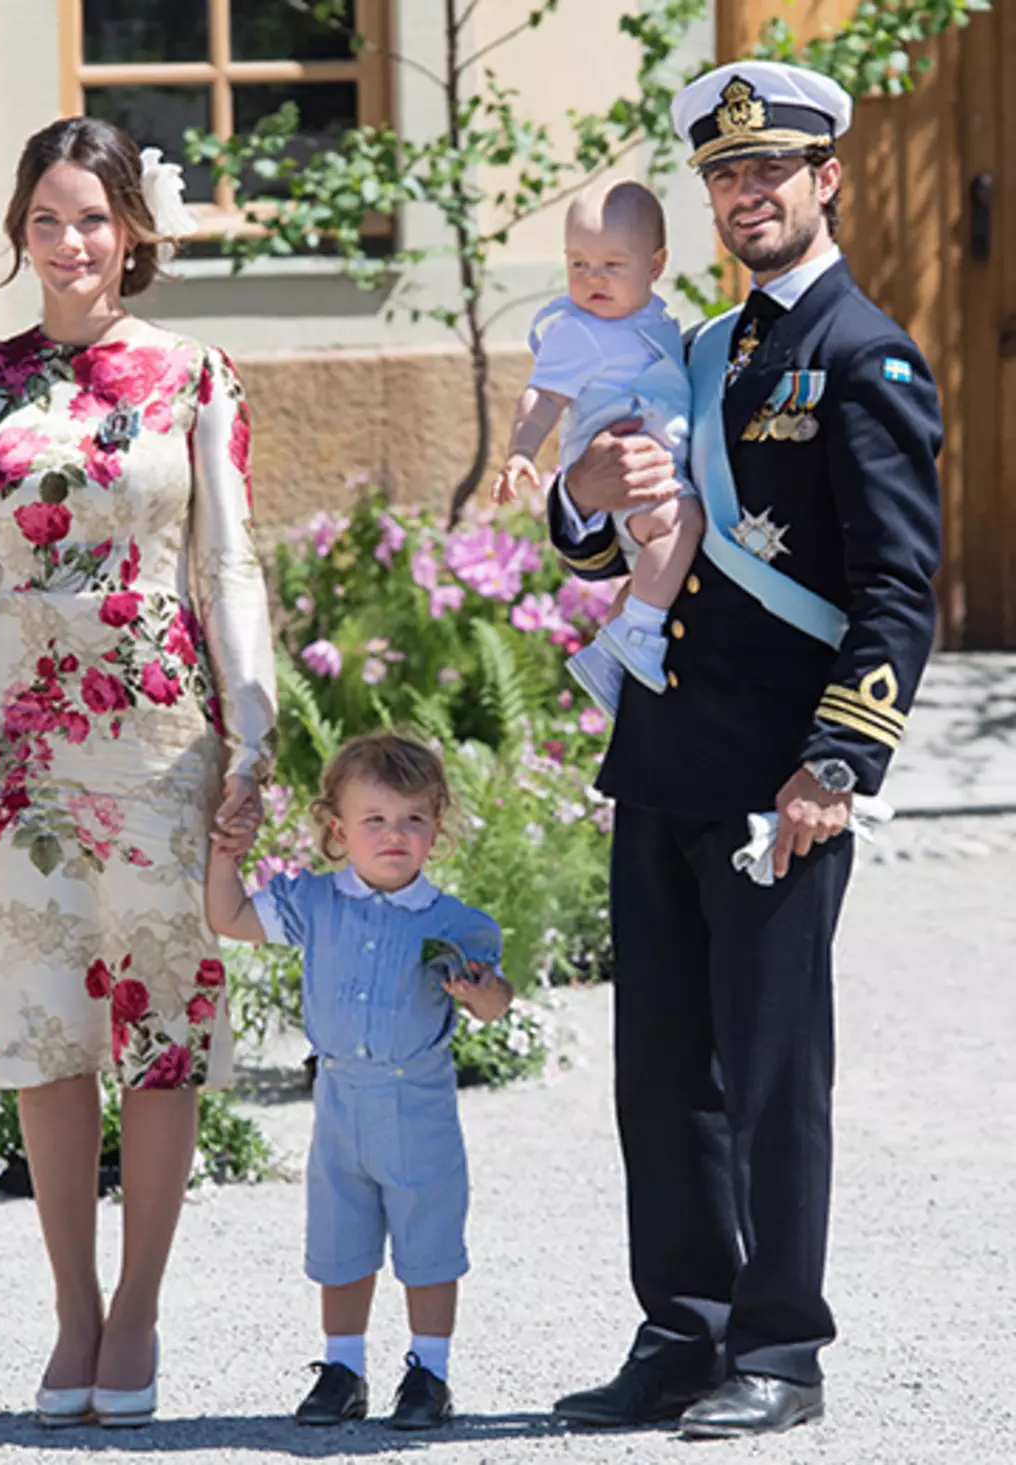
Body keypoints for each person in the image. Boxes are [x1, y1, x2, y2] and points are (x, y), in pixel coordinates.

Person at [548, 62, 942, 1438]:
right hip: (664, 757)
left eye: (771, 169)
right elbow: (622, 520)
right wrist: (584, 503)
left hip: (778, 774)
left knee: (770, 1068)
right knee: (659, 1071)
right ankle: (683, 1326)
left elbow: (899, 588)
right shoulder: (706, 351)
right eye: (725, 175)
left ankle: (780, 1343)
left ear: (825, 177)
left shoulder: (864, 353)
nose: (747, 193)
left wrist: (835, 766)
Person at [0, 117, 277, 1428]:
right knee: (47, 1030)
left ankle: (140, 1314)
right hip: (23, 751)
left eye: (93, 219)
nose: (70, 243)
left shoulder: (192, 373)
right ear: (21, 233)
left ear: (135, 232)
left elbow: (228, 561)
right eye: (47, 219)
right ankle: (70, 1311)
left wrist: (260, 725)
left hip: (165, 739)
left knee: (161, 1031)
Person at [205, 732, 511, 1430]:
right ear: (338, 830)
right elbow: (229, 917)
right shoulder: (315, 902)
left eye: (413, 819)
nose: (394, 834)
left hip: (418, 1104)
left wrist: (479, 989)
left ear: (437, 827)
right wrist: (225, 857)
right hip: (339, 1100)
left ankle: (429, 1373)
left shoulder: (456, 923)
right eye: (374, 819)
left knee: (428, 1238)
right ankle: (342, 1368)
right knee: (340, 1237)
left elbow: (498, 1002)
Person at [492, 180, 701, 711]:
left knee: (657, 567)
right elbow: (541, 396)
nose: (593, 279)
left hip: (659, 474)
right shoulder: (577, 330)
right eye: (578, 263)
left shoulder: (656, 321)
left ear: (655, 267)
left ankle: (614, 651)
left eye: (612, 264)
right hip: (625, 481)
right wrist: (521, 451)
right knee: (683, 526)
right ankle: (636, 634)